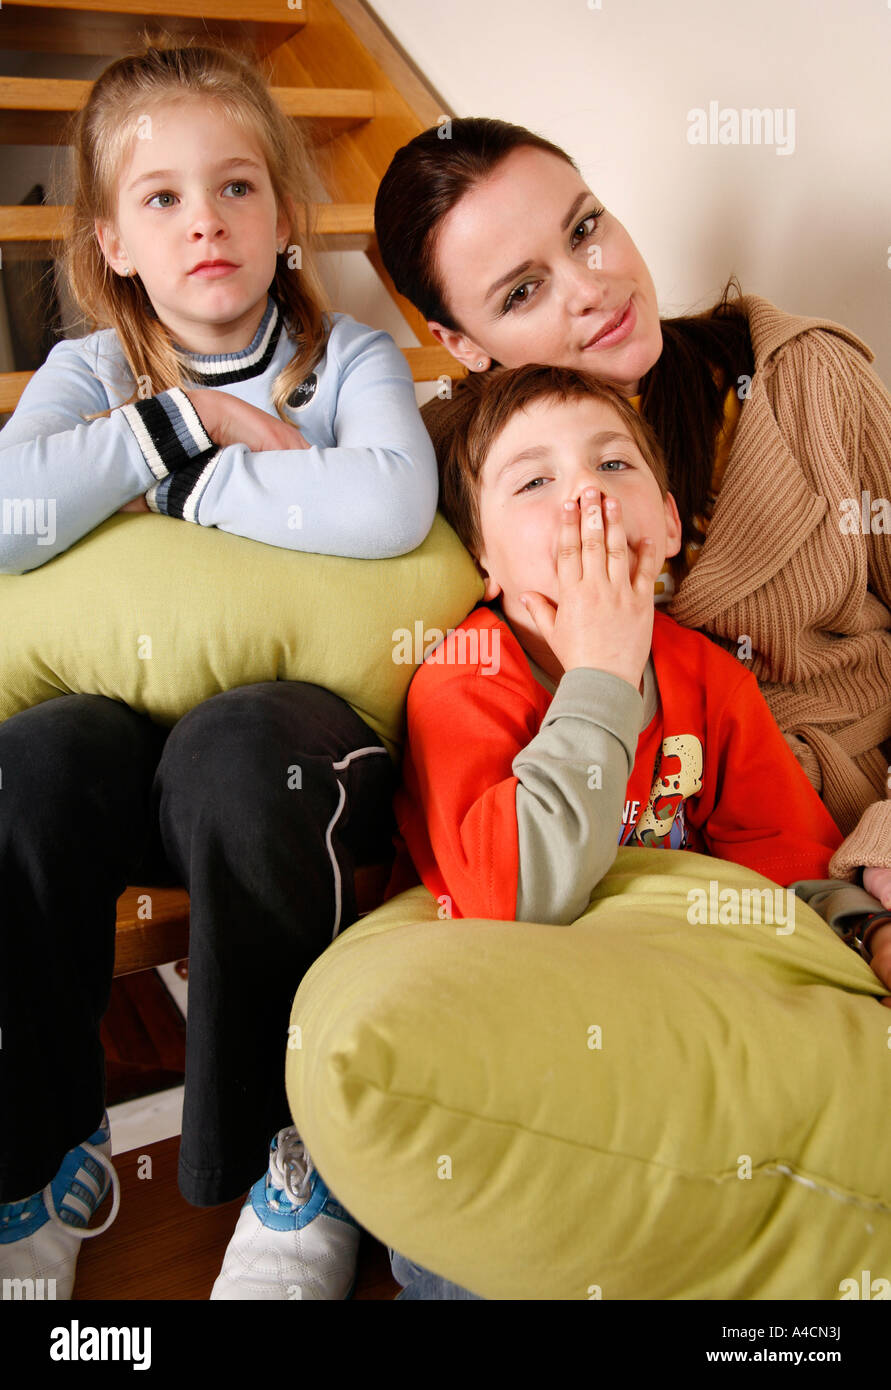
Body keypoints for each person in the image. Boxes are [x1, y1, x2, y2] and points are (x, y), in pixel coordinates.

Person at [371, 115, 891, 1299]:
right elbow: (499, 866)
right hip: (592, 914)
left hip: (822, 853)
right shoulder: (458, 500)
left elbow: (788, 867)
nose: (597, 287)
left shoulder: (803, 381)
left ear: (663, 508)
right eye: (523, 287)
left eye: (588, 226)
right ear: (464, 343)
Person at [0, 43, 437, 1301]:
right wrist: (185, 419)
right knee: (30, 760)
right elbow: (13, 514)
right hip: (121, 728)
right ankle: (41, 1148)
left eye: (239, 188)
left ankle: (280, 1159)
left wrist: (174, 485)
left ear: (287, 220)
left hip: (281, 738)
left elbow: (392, 502)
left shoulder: (345, 358)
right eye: (164, 198)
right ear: (112, 246)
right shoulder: (95, 374)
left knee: (241, 754)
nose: (208, 222)